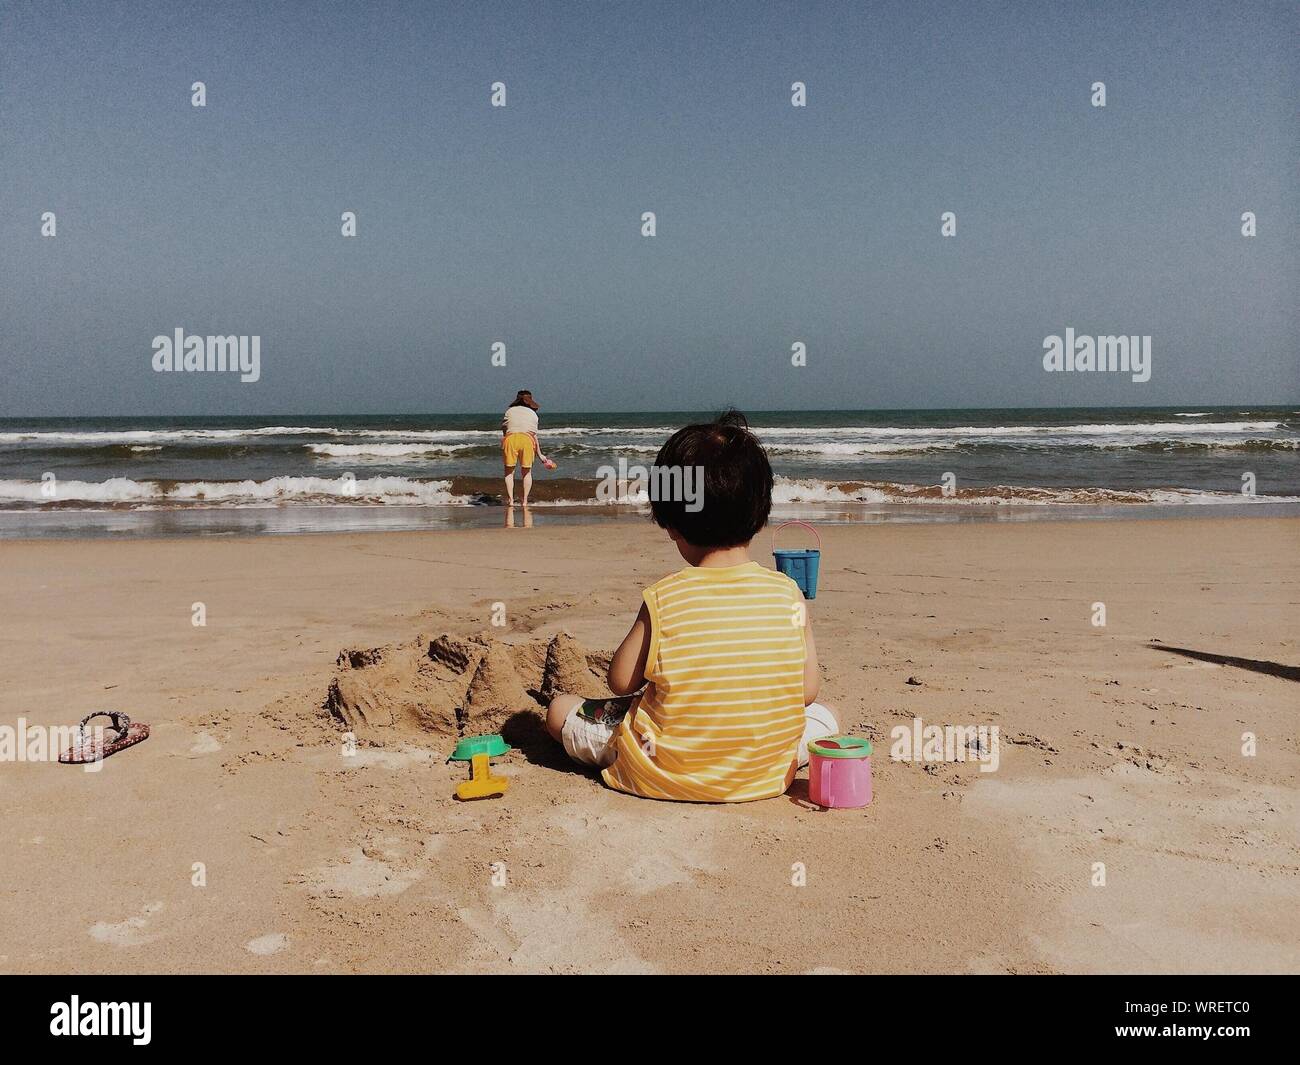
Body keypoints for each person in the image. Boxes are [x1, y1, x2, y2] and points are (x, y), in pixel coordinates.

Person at [545, 410, 838, 801]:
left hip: (662, 767)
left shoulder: (664, 597)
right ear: (760, 513)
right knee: (829, 715)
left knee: (560, 709)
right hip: (762, 768)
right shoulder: (788, 593)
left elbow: (620, 681)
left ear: (671, 523)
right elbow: (807, 692)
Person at [501, 390, 553, 507]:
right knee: (526, 472)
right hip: (527, 440)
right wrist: (540, 455)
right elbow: (534, 436)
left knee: (509, 472)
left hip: (511, 439)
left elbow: (505, 430)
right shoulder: (533, 414)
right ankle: (524, 501)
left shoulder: (509, 411)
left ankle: (511, 500)